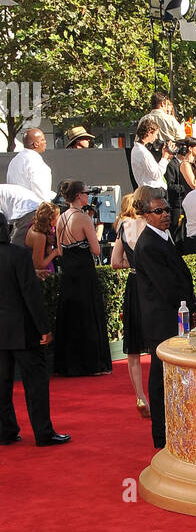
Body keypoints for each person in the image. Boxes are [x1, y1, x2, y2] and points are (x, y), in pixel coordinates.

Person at [134, 189, 196, 449]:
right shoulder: (149, 243)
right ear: (146, 215)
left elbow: (178, 277)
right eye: (158, 211)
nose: (165, 215)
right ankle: (162, 435)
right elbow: (166, 286)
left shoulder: (163, 237)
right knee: (161, 378)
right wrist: (187, 303)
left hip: (172, 316)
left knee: (172, 375)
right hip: (162, 320)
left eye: (166, 210)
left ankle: (174, 428)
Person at [0, 211, 70, 447]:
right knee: (36, 384)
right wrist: (44, 328)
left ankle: (6, 431)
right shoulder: (17, 255)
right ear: (6, 229)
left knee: (2, 384)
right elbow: (31, 295)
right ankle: (43, 433)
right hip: (23, 331)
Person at [53, 180, 112, 377]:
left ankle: (68, 365)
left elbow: (60, 250)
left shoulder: (61, 218)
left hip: (68, 271)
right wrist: (98, 228)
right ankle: (91, 364)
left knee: (70, 315)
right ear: (79, 196)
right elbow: (96, 249)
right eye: (86, 193)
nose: (88, 196)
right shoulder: (84, 218)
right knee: (87, 314)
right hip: (84, 272)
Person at [110, 190, 150, 418]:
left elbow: (115, 262)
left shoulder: (124, 227)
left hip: (133, 285)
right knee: (158, 343)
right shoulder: (152, 225)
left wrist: (130, 264)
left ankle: (140, 396)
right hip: (151, 284)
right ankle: (160, 394)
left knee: (133, 348)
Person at [6, 127, 54, 210]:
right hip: (33, 210)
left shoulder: (15, 160)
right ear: (36, 144)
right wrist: (47, 209)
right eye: (42, 140)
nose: (45, 142)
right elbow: (39, 188)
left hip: (15, 210)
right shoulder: (35, 161)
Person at [130, 117, 174, 189]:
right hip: (152, 191)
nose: (156, 137)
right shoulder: (142, 152)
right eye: (155, 134)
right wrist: (164, 157)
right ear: (149, 132)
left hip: (150, 190)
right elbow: (156, 175)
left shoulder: (140, 149)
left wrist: (167, 158)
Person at [25, 203, 60, 279]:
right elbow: (38, 265)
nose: (59, 218)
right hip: (43, 276)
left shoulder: (36, 225)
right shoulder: (40, 236)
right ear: (51, 219)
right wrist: (55, 253)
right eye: (58, 216)